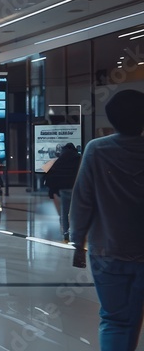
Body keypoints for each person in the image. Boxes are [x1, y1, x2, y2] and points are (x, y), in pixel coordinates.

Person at [70, 89, 144, 350]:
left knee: (114, 319)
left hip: (107, 250)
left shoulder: (97, 150)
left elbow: (82, 200)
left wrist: (78, 241)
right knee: (133, 318)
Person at [45, 142, 80, 243]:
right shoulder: (78, 158)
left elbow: (51, 176)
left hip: (63, 189)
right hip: (75, 189)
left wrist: (52, 192)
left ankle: (65, 233)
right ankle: (75, 233)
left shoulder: (60, 160)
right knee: (76, 212)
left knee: (64, 212)